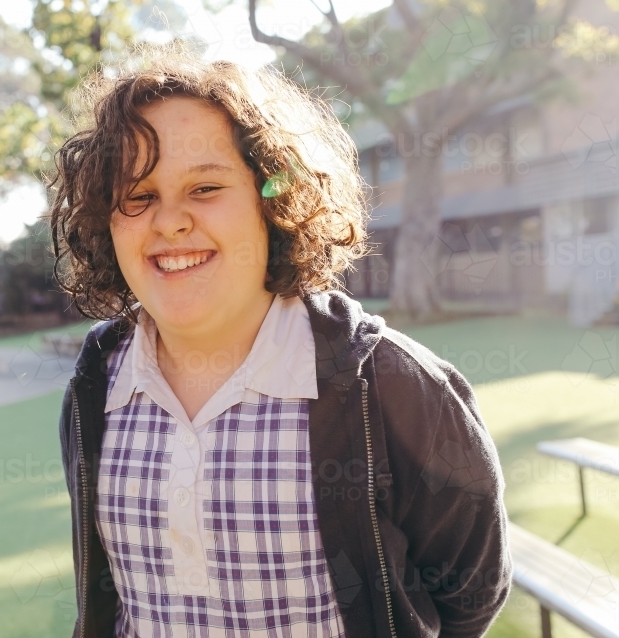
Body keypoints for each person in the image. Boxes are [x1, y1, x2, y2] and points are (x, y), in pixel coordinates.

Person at [49, 45, 510, 638]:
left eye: (205, 188)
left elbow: (469, 596)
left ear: (274, 202)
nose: (169, 222)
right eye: (138, 196)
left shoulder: (392, 386)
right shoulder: (95, 390)